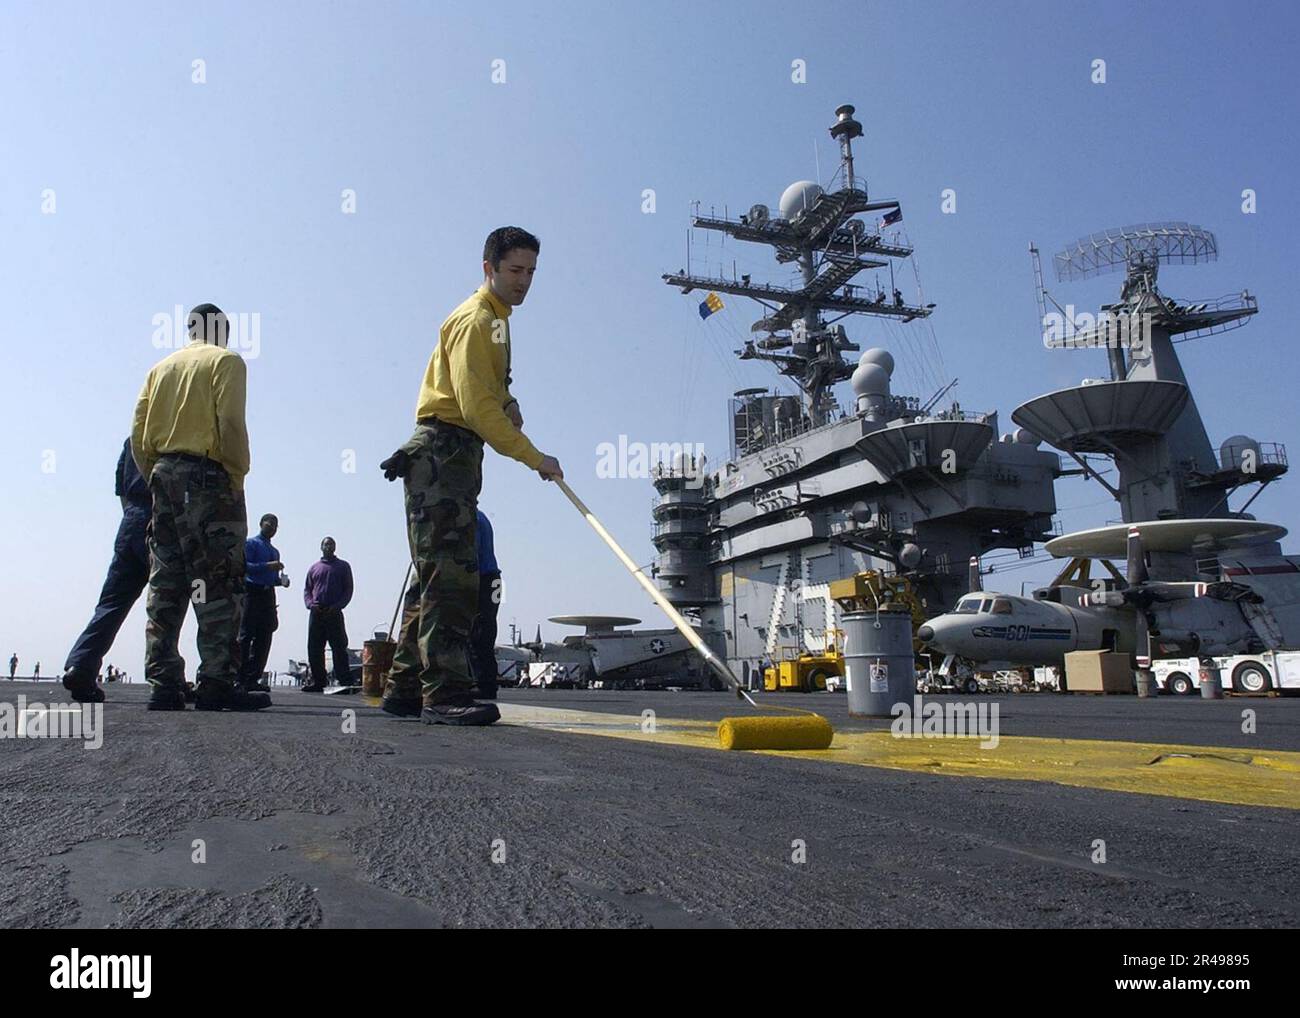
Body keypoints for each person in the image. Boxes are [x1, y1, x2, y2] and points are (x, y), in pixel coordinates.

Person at [378, 226, 562, 726]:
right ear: (489, 269)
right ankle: (445, 695)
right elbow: (475, 406)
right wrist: (534, 457)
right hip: (444, 450)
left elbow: (487, 387)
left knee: (433, 578)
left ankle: (403, 689)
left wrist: (509, 399)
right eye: (514, 271)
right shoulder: (478, 320)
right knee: (454, 582)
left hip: (452, 453)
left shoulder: (499, 322)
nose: (524, 282)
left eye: (531, 273)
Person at [131, 303, 269, 712]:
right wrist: (236, 475)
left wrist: (156, 474)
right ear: (221, 331)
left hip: (163, 477)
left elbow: (138, 434)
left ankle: (164, 683)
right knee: (219, 582)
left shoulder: (161, 369)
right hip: (209, 480)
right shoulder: (226, 362)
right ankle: (216, 682)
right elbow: (229, 423)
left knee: (166, 581)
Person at [60, 438, 153, 703]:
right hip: (161, 523)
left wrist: (135, 521)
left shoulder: (132, 441)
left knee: (111, 604)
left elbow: (122, 490)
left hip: (130, 523)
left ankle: (81, 664)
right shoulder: (172, 432)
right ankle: (169, 677)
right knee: (174, 600)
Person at [239, 513, 289, 693]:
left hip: (268, 594)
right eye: (269, 524)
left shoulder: (274, 551)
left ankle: (254, 677)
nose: (272, 528)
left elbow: (272, 578)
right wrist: (268, 566)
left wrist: (281, 582)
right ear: (261, 524)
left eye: (276, 525)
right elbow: (246, 567)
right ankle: (240, 677)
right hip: (252, 593)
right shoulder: (251, 544)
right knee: (246, 636)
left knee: (265, 636)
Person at [303, 537, 354, 691]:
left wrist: (338, 606)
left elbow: (348, 590)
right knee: (315, 647)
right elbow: (307, 590)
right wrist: (311, 605)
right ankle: (318, 681)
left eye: (331, 544)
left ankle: (344, 681)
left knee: (339, 646)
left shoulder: (343, 566)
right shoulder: (314, 568)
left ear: (335, 547)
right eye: (326, 544)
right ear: (321, 547)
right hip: (317, 611)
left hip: (334, 612)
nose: (328, 546)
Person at [468, 509, 503, 700]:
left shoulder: (469, 517)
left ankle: (483, 683)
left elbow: (470, 552)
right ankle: (484, 681)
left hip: (482, 578)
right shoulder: (481, 516)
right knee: (486, 629)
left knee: (477, 632)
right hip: (494, 579)